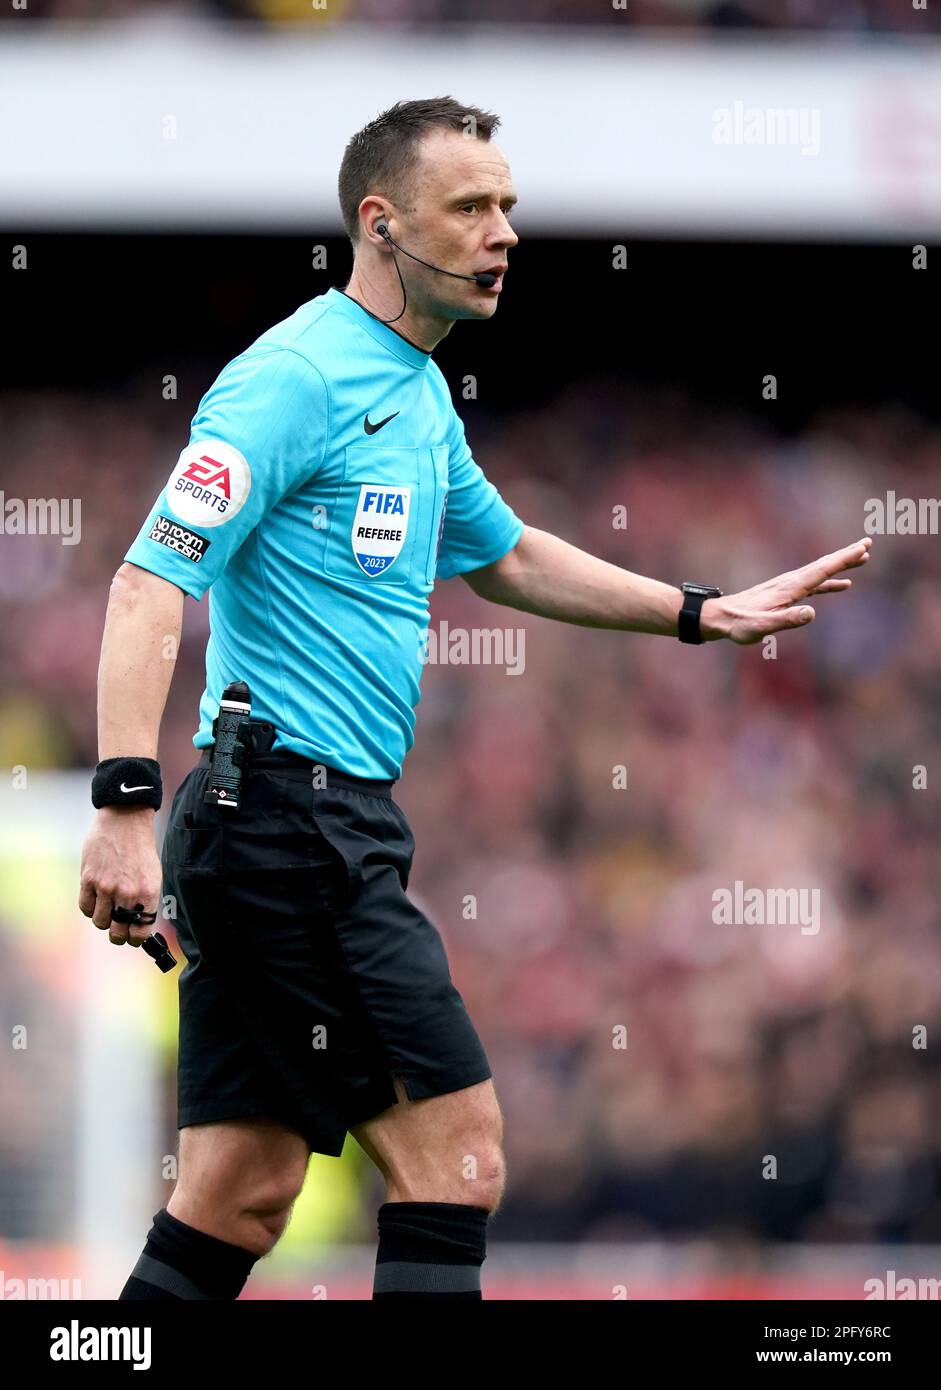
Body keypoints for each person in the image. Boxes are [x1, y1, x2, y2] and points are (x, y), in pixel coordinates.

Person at [78, 95, 873, 1301]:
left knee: (238, 1194)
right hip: (288, 823)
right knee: (458, 1158)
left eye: (508, 206)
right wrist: (124, 802)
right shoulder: (293, 377)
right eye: (472, 207)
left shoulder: (417, 393)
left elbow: (502, 554)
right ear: (381, 223)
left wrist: (697, 610)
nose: (502, 231)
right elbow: (147, 579)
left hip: (291, 826)